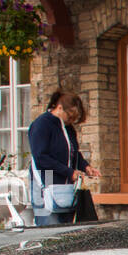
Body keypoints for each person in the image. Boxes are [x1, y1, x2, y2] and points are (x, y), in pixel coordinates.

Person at [28, 90, 100, 225]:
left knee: (66, 230)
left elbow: (74, 153)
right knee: (49, 231)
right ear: (59, 108)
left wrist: (85, 166)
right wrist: (69, 172)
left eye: (74, 119)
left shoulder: (68, 129)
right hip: (45, 183)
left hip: (65, 188)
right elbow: (40, 157)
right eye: (70, 116)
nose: (71, 121)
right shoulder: (42, 124)